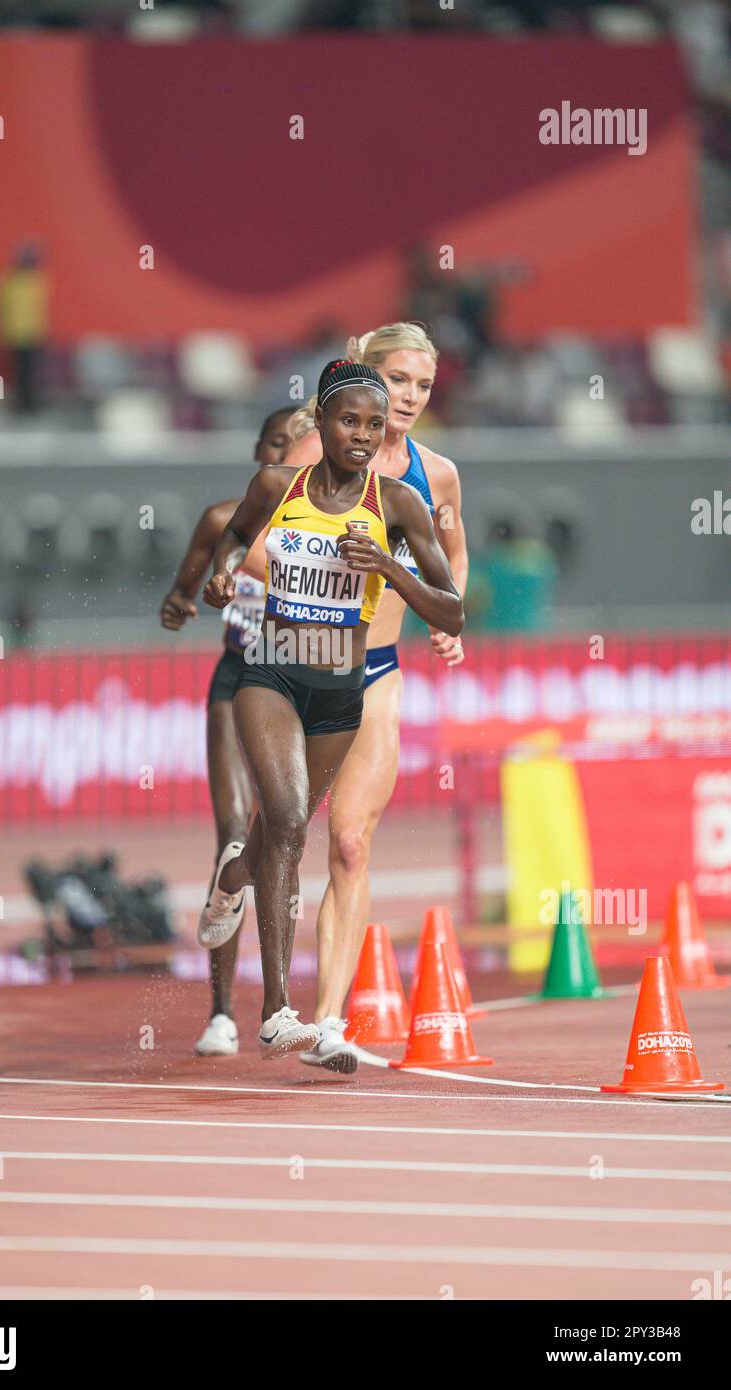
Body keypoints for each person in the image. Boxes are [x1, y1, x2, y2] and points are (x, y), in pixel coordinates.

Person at [198, 360, 464, 1060]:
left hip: (343, 690)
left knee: (284, 830)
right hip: (271, 671)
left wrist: (388, 567)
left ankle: (233, 879)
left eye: (374, 427)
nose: (362, 435)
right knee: (287, 820)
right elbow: (231, 536)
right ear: (319, 421)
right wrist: (223, 576)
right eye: (349, 421)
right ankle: (280, 1010)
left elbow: (454, 612)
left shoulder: (400, 506)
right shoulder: (276, 485)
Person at [278, 323, 469, 1072]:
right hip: (294, 665)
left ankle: (327, 1022)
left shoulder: (437, 474)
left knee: (351, 842)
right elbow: (253, 533)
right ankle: (235, 885)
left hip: (377, 669)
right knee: (276, 838)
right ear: (367, 376)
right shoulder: (309, 456)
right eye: (397, 381)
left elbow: (451, 553)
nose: (410, 398)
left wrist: (443, 612)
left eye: (423, 386)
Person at [159, 408, 293, 1055]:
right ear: (258, 451)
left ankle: (283, 1003)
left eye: (294, 447)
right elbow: (180, 596)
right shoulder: (222, 520)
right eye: (273, 446)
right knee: (233, 834)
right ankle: (221, 1013)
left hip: (297, 686)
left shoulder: (323, 523)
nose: (281, 460)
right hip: (237, 677)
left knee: (285, 836)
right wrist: (193, 597)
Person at [0, 242, 50, 414]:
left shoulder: (36, 281)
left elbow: (38, 310)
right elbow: (0, 308)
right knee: (19, 373)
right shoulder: (8, 282)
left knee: (33, 372)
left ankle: (31, 404)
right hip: (15, 336)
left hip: (32, 335)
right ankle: (21, 405)